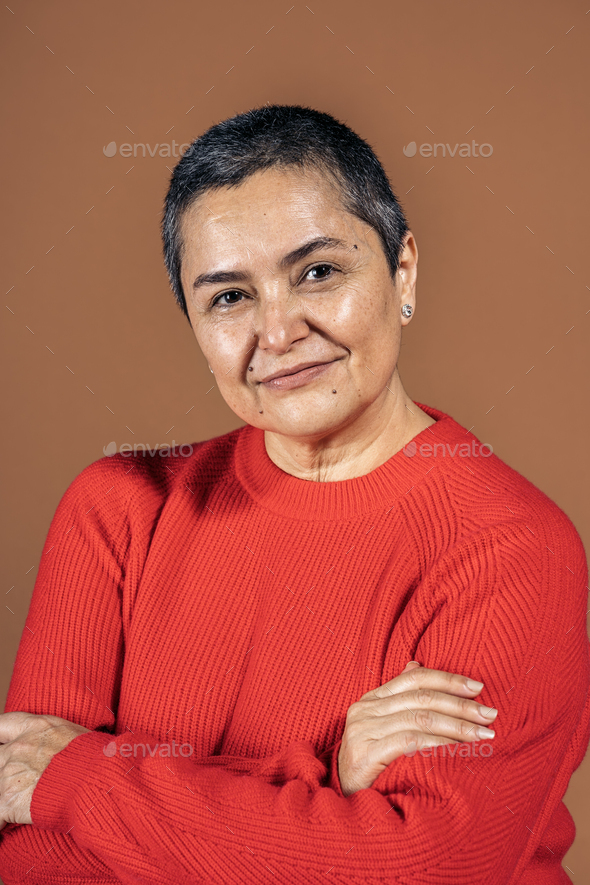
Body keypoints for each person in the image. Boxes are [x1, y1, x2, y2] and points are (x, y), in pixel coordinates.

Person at [0, 104, 588, 885]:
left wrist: (79, 779)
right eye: (229, 297)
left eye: (318, 272)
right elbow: (36, 859)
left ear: (402, 269)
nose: (277, 333)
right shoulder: (118, 509)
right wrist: (324, 782)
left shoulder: (511, 547)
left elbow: (426, 871)